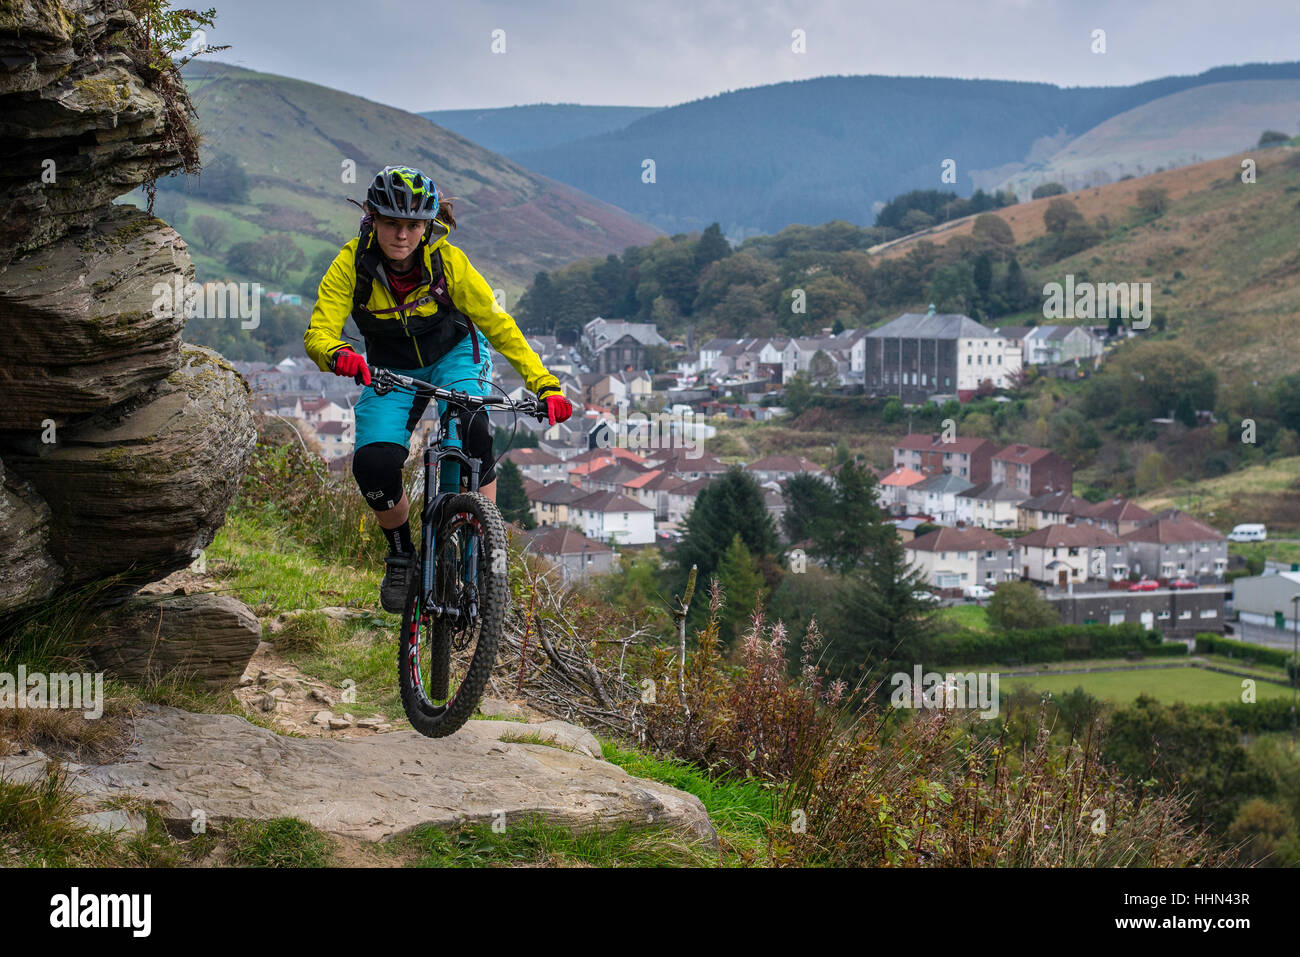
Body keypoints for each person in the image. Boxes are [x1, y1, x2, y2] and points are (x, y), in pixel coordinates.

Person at [304, 165, 573, 612]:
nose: (403, 234)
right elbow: (318, 332)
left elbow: (497, 323)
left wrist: (545, 385)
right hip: (391, 367)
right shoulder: (352, 262)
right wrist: (338, 354)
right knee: (374, 464)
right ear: (373, 218)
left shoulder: (449, 261)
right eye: (392, 222)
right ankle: (400, 554)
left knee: (473, 428)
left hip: (455, 354)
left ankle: (485, 543)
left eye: (413, 224)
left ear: (428, 224)